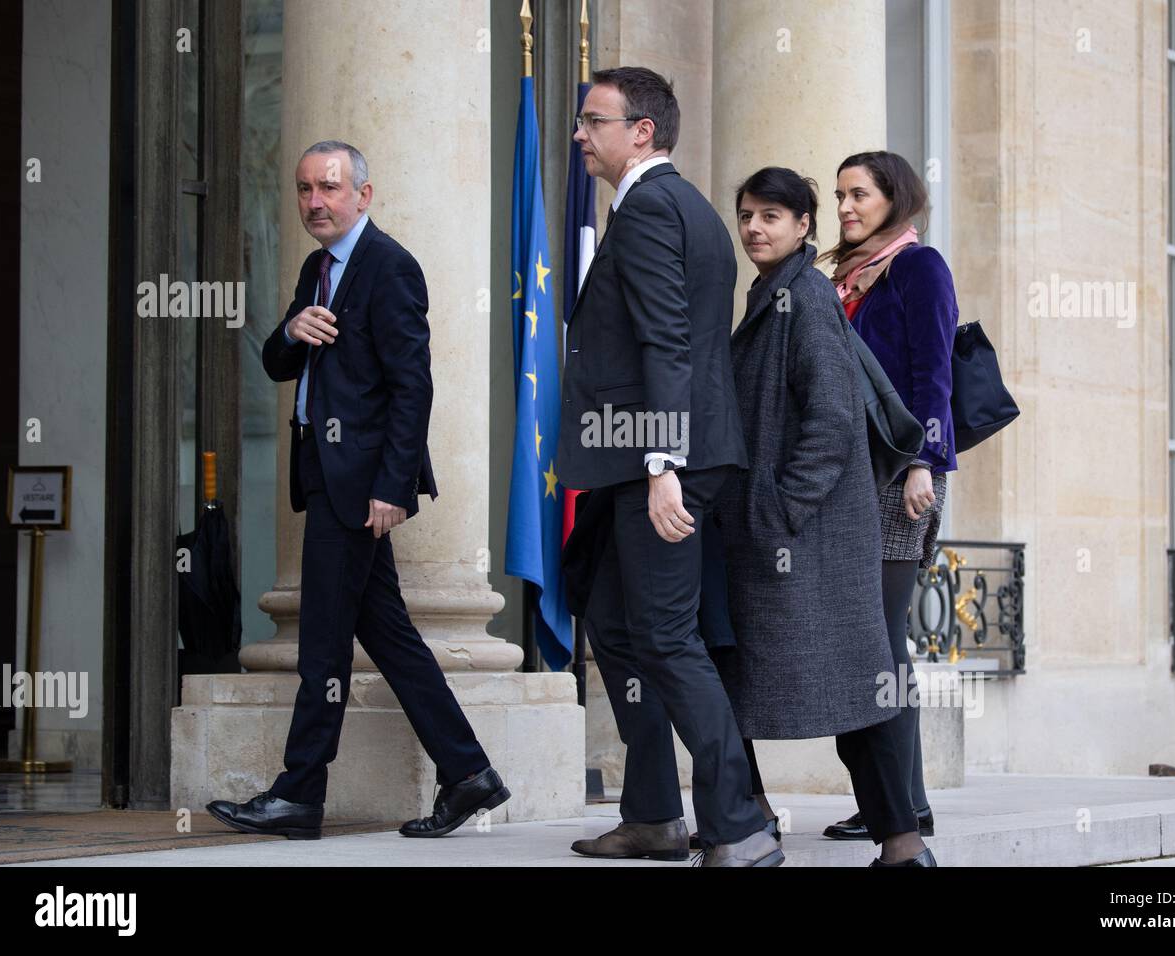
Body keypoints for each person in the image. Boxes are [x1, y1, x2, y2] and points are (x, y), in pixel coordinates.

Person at [207, 140, 508, 841]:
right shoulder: (319, 268)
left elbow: (414, 386)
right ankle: (469, 774)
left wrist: (393, 485)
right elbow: (279, 362)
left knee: (322, 644)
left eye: (331, 188)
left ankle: (298, 794)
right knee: (391, 637)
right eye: (306, 188)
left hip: (361, 484)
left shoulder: (389, 266)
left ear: (363, 195)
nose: (316, 201)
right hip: (326, 475)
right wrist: (291, 328)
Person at [558, 67, 781, 867]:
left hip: (662, 457)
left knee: (664, 635)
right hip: (641, 456)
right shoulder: (681, 205)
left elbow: (668, 342)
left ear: (641, 131)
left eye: (594, 121)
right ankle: (654, 815)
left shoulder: (651, 205)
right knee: (618, 629)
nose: (580, 135)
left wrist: (662, 463)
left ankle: (741, 824)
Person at [707, 166, 935, 867]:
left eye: (772, 216)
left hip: (809, 538)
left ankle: (896, 844)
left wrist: (780, 510)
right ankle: (758, 821)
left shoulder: (803, 297)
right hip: (789, 535)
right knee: (758, 673)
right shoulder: (775, 293)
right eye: (747, 215)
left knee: (851, 693)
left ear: (803, 227)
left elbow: (833, 419)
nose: (754, 228)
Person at [816, 150, 958, 846]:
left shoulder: (917, 267)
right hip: (850, 480)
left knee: (876, 639)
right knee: (875, 640)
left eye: (860, 195)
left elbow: (934, 373)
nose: (846, 207)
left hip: (902, 478)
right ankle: (906, 801)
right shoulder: (846, 277)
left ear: (894, 198)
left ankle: (895, 806)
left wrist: (925, 462)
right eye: (840, 195)